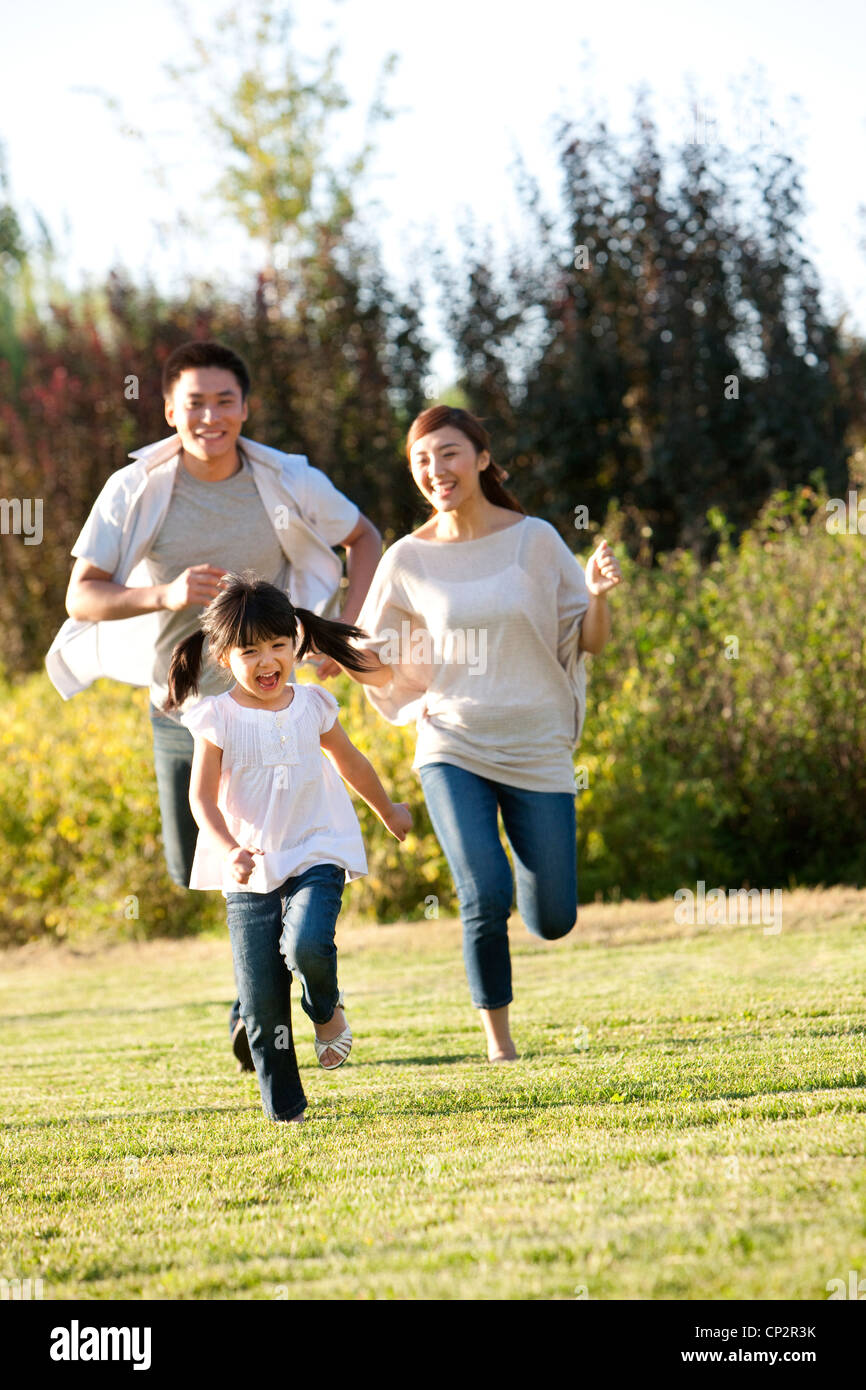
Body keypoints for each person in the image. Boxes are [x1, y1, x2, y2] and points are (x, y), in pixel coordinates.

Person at [45, 341, 382, 1071]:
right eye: (194, 403)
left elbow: (365, 537)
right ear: (169, 411)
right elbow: (82, 593)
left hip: (275, 704)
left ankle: (251, 1006)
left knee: (279, 853)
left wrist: (335, 640)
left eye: (225, 400)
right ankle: (263, 990)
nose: (211, 416)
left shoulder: (286, 477)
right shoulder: (135, 487)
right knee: (195, 859)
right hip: (185, 706)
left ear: (245, 407)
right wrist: (162, 595)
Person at [333, 406, 622, 1062]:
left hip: (537, 741)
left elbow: (590, 643)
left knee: (552, 918)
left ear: (483, 458)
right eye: (422, 461)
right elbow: (378, 657)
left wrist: (599, 595)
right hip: (452, 741)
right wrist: (330, 648)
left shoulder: (538, 540)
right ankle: (500, 1044)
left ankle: (533, 876)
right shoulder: (407, 558)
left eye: (449, 454)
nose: (437, 471)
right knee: (482, 892)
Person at [163, 573, 412, 1120]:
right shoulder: (216, 717)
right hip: (249, 868)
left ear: (296, 641)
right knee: (261, 1005)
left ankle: (325, 1008)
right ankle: (287, 1110)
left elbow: (351, 764)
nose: (267, 660)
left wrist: (388, 810)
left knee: (305, 945)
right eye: (251, 650)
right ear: (226, 657)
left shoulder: (313, 705)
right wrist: (228, 847)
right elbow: (201, 798)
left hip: (315, 849)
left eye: (278, 645)